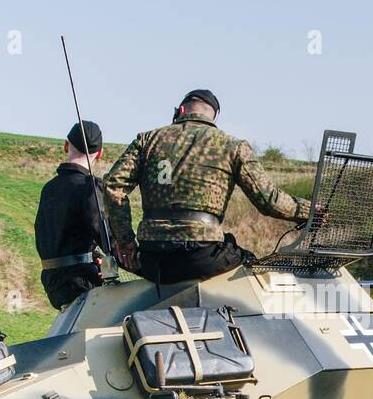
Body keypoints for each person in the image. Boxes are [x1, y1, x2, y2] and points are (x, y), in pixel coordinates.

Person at [103, 89, 311, 284]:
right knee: (250, 263)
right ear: (213, 117)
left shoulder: (147, 140)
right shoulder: (233, 146)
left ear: (180, 110)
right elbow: (269, 201)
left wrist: (126, 241)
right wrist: (311, 211)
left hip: (152, 258)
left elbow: (113, 185)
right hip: (202, 257)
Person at [34, 119, 108, 310]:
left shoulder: (49, 188)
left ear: (66, 145)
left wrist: (93, 255)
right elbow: (108, 238)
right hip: (81, 281)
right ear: (99, 154)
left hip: (52, 281)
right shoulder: (89, 187)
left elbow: (60, 236)